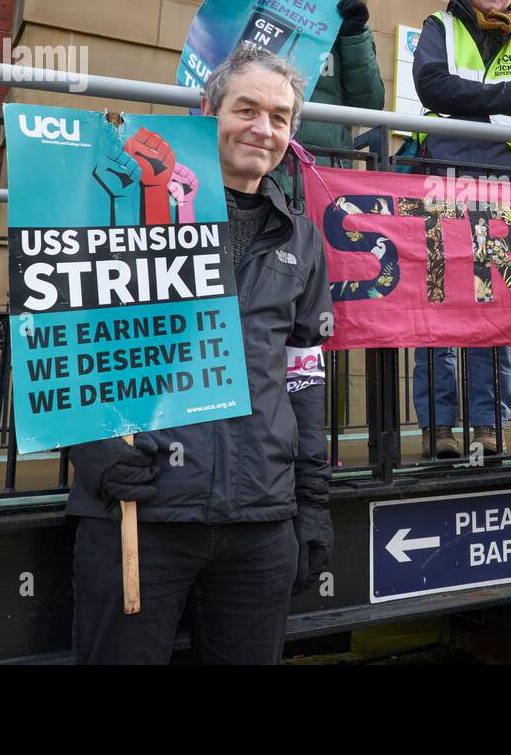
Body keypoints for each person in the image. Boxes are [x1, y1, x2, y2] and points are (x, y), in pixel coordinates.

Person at [67, 45, 334, 665]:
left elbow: (305, 375)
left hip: (260, 523)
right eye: (246, 109)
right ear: (207, 110)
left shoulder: (302, 238)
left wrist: (313, 505)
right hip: (139, 511)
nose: (262, 129)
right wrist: (92, 446)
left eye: (279, 117)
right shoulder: (126, 210)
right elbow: (65, 333)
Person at [409, 0, 511, 459]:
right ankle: (438, 427)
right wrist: (507, 98)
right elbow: (432, 86)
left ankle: (488, 427)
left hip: (507, 180)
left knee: (496, 305)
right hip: (444, 173)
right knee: (439, 303)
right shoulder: (440, 26)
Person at [273, 0, 384, 207]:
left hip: (323, 169)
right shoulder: (273, 0)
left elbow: (370, 105)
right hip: (268, 159)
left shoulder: (350, 21)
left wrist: (354, 36)